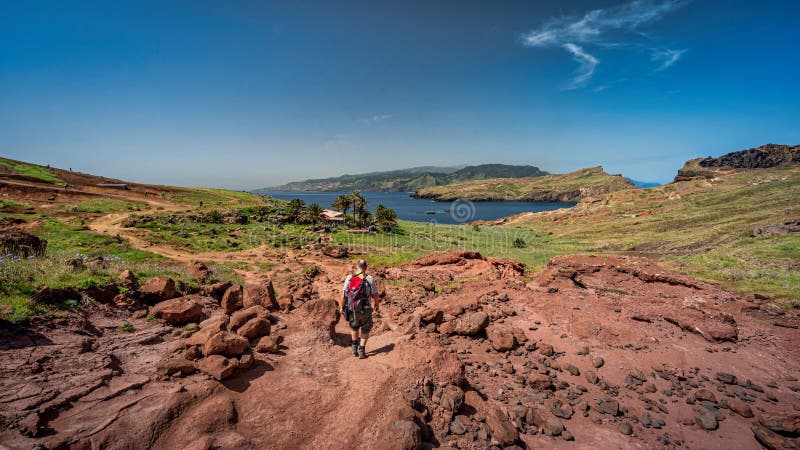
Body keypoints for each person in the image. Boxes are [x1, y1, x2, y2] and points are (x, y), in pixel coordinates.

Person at [340, 259, 379, 359]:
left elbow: (344, 295)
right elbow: (375, 294)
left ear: (357, 266)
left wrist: (342, 307)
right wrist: (376, 304)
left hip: (352, 308)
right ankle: (361, 350)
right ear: (366, 267)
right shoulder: (369, 279)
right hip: (366, 309)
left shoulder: (349, 278)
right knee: (365, 328)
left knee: (354, 326)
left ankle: (354, 347)